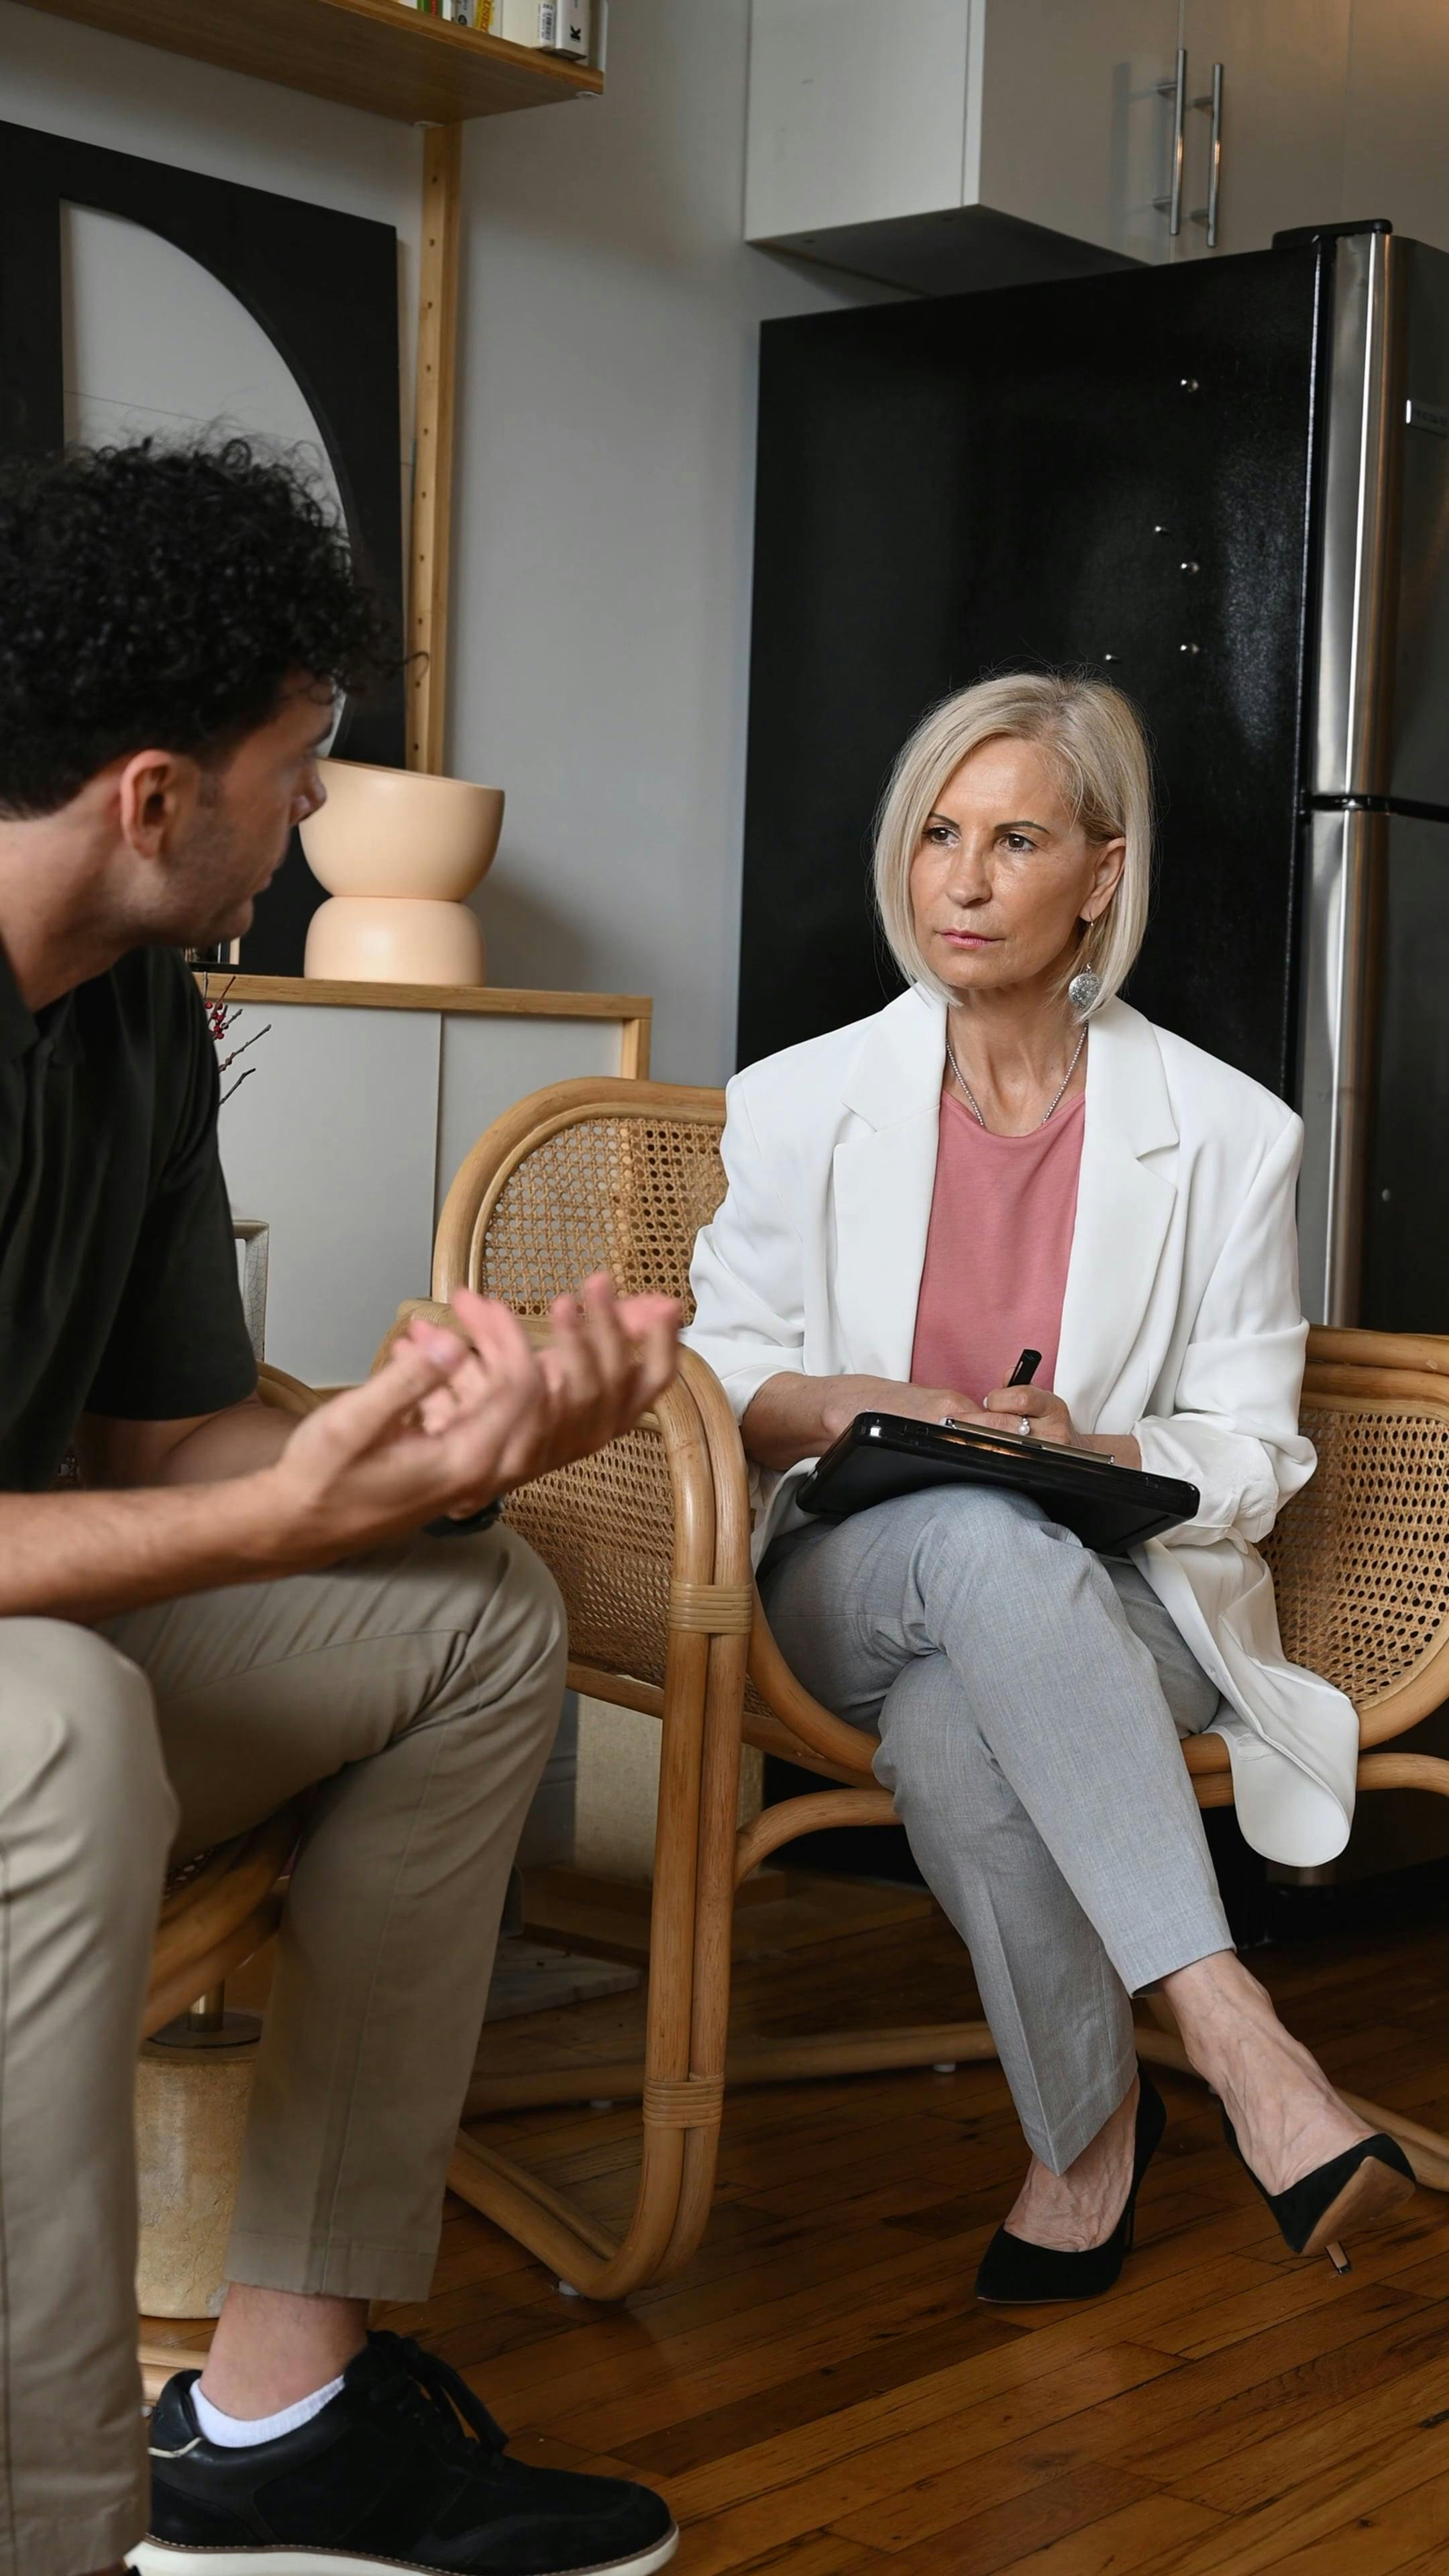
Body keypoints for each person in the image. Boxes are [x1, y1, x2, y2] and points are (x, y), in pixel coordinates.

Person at [0, 440, 680, 2576]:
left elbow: (154, 1447)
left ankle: (284, 2416)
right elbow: (208, 1521)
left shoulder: (138, 1024)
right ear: (150, 794)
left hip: (44, 1624)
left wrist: (405, 1451)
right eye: (297, 774)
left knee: (473, 1605)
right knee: (59, 1727)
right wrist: (280, 1516)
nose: (308, 826)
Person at [687, 671, 1415, 2306]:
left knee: (966, 1703)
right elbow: (716, 1372)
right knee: (957, 1519)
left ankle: (1087, 2139)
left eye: (1014, 839)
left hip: (1119, 1600)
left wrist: (1099, 1455)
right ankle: (1239, 2038)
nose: (960, 877)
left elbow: (1255, 1447)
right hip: (845, 1577)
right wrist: (863, 1401)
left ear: (1099, 875)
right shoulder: (800, 1101)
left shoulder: (1231, 1134)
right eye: (939, 834)